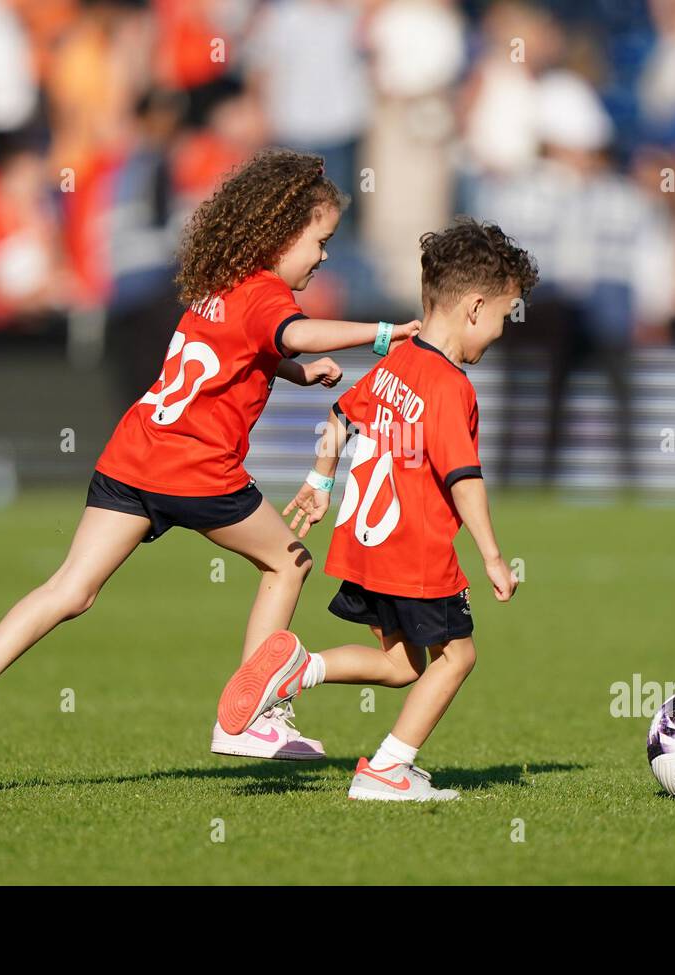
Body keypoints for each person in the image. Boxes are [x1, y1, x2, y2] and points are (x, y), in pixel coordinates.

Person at [0, 150, 420, 793]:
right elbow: (291, 334)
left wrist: (293, 374)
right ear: (282, 233)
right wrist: (382, 334)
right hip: (195, 467)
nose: (322, 257)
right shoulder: (267, 292)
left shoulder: (223, 283)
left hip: (137, 451)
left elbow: (239, 351)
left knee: (72, 588)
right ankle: (250, 714)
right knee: (287, 561)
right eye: (319, 242)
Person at [216, 219, 538, 801]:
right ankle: (388, 770)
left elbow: (340, 418)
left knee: (401, 666)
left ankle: (299, 667)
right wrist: (492, 555)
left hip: (363, 548)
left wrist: (319, 480)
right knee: (457, 657)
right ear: (473, 308)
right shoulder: (450, 386)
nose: (497, 335)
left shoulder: (396, 364)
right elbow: (464, 479)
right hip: (413, 550)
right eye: (501, 318)